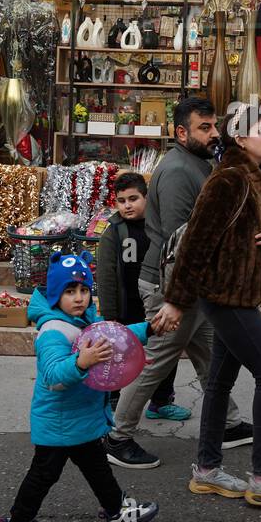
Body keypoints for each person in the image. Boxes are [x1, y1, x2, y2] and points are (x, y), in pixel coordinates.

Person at [154, 104, 261, 510]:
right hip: (224, 298)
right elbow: (194, 246)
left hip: (241, 297)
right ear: (239, 138)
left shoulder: (259, 176)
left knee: (219, 383)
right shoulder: (226, 181)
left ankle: (206, 471)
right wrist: (175, 302)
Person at [104, 98, 253, 469]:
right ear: (182, 132)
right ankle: (117, 437)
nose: (215, 133)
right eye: (205, 127)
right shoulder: (175, 172)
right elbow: (179, 240)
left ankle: (228, 424)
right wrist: (180, 298)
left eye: (215, 125)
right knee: (155, 360)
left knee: (206, 352)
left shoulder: (198, 163)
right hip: (170, 285)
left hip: (190, 284)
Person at [0, 253, 162, 522]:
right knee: (43, 475)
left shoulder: (86, 321)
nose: (79, 298)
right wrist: (81, 362)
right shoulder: (53, 331)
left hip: (81, 418)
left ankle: (116, 512)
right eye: (70, 292)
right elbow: (53, 377)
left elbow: (117, 336)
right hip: (58, 423)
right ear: (56, 295)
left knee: (98, 468)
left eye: (84, 290)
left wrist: (148, 330)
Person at [95, 173, 183, 419]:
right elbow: (106, 275)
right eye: (121, 200)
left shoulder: (160, 227)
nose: (127, 205)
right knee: (119, 357)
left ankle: (161, 401)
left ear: (147, 198)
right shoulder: (114, 232)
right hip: (125, 308)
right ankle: (114, 400)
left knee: (164, 354)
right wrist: (109, 315)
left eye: (133, 198)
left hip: (156, 305)